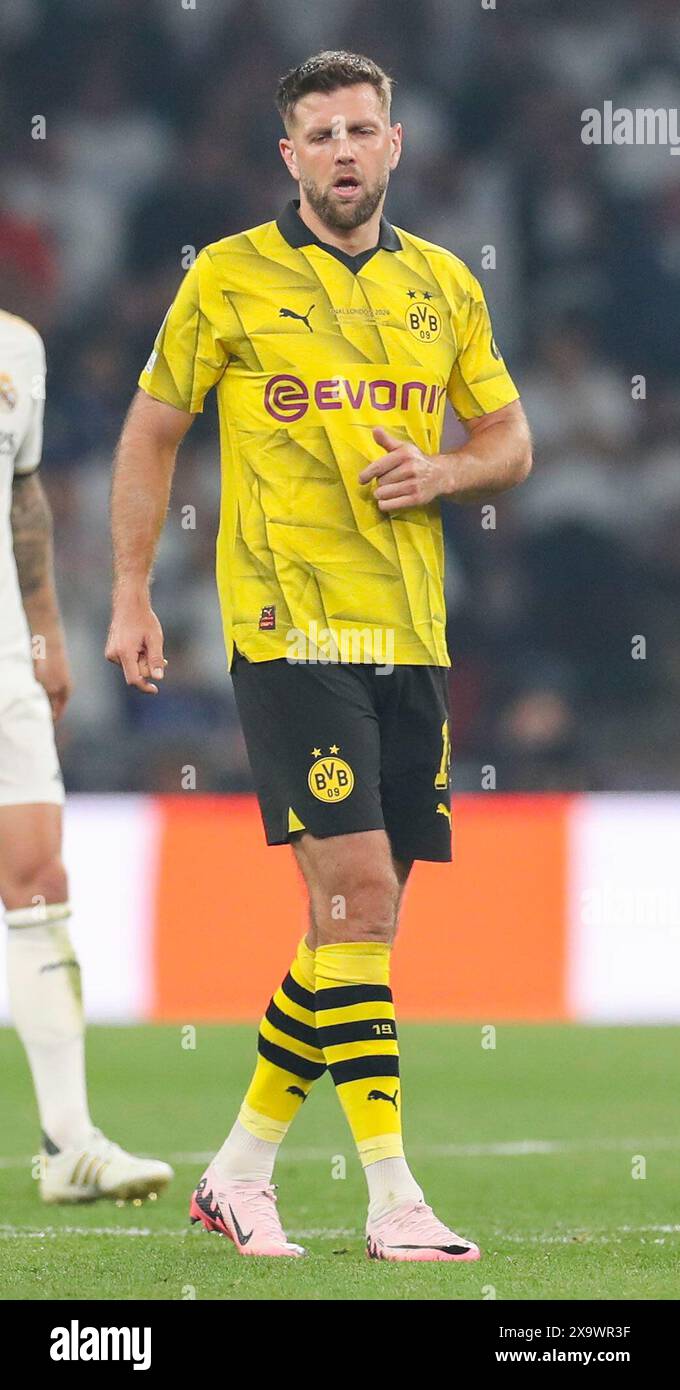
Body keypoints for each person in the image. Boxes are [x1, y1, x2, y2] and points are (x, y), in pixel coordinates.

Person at [106, 50, 532, 1261]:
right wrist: (132, 591)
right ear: (287, 157)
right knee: (357, 898)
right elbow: (151, 428)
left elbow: (508, 437)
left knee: (353, 924)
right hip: (287, 629)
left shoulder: (444, 286)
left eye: (361, 129)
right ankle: (393, 1195)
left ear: (393, 144)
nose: (343, 150)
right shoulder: (228, 280)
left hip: (409, 633)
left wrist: (444, 468)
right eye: (318, 135)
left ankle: (237, 1172)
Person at [0, 308, 173, 1203]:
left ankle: (68, 1143)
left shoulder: (17, 347)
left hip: (3, 666)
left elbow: (24, 497)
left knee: (37, 879)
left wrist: (43, 633)